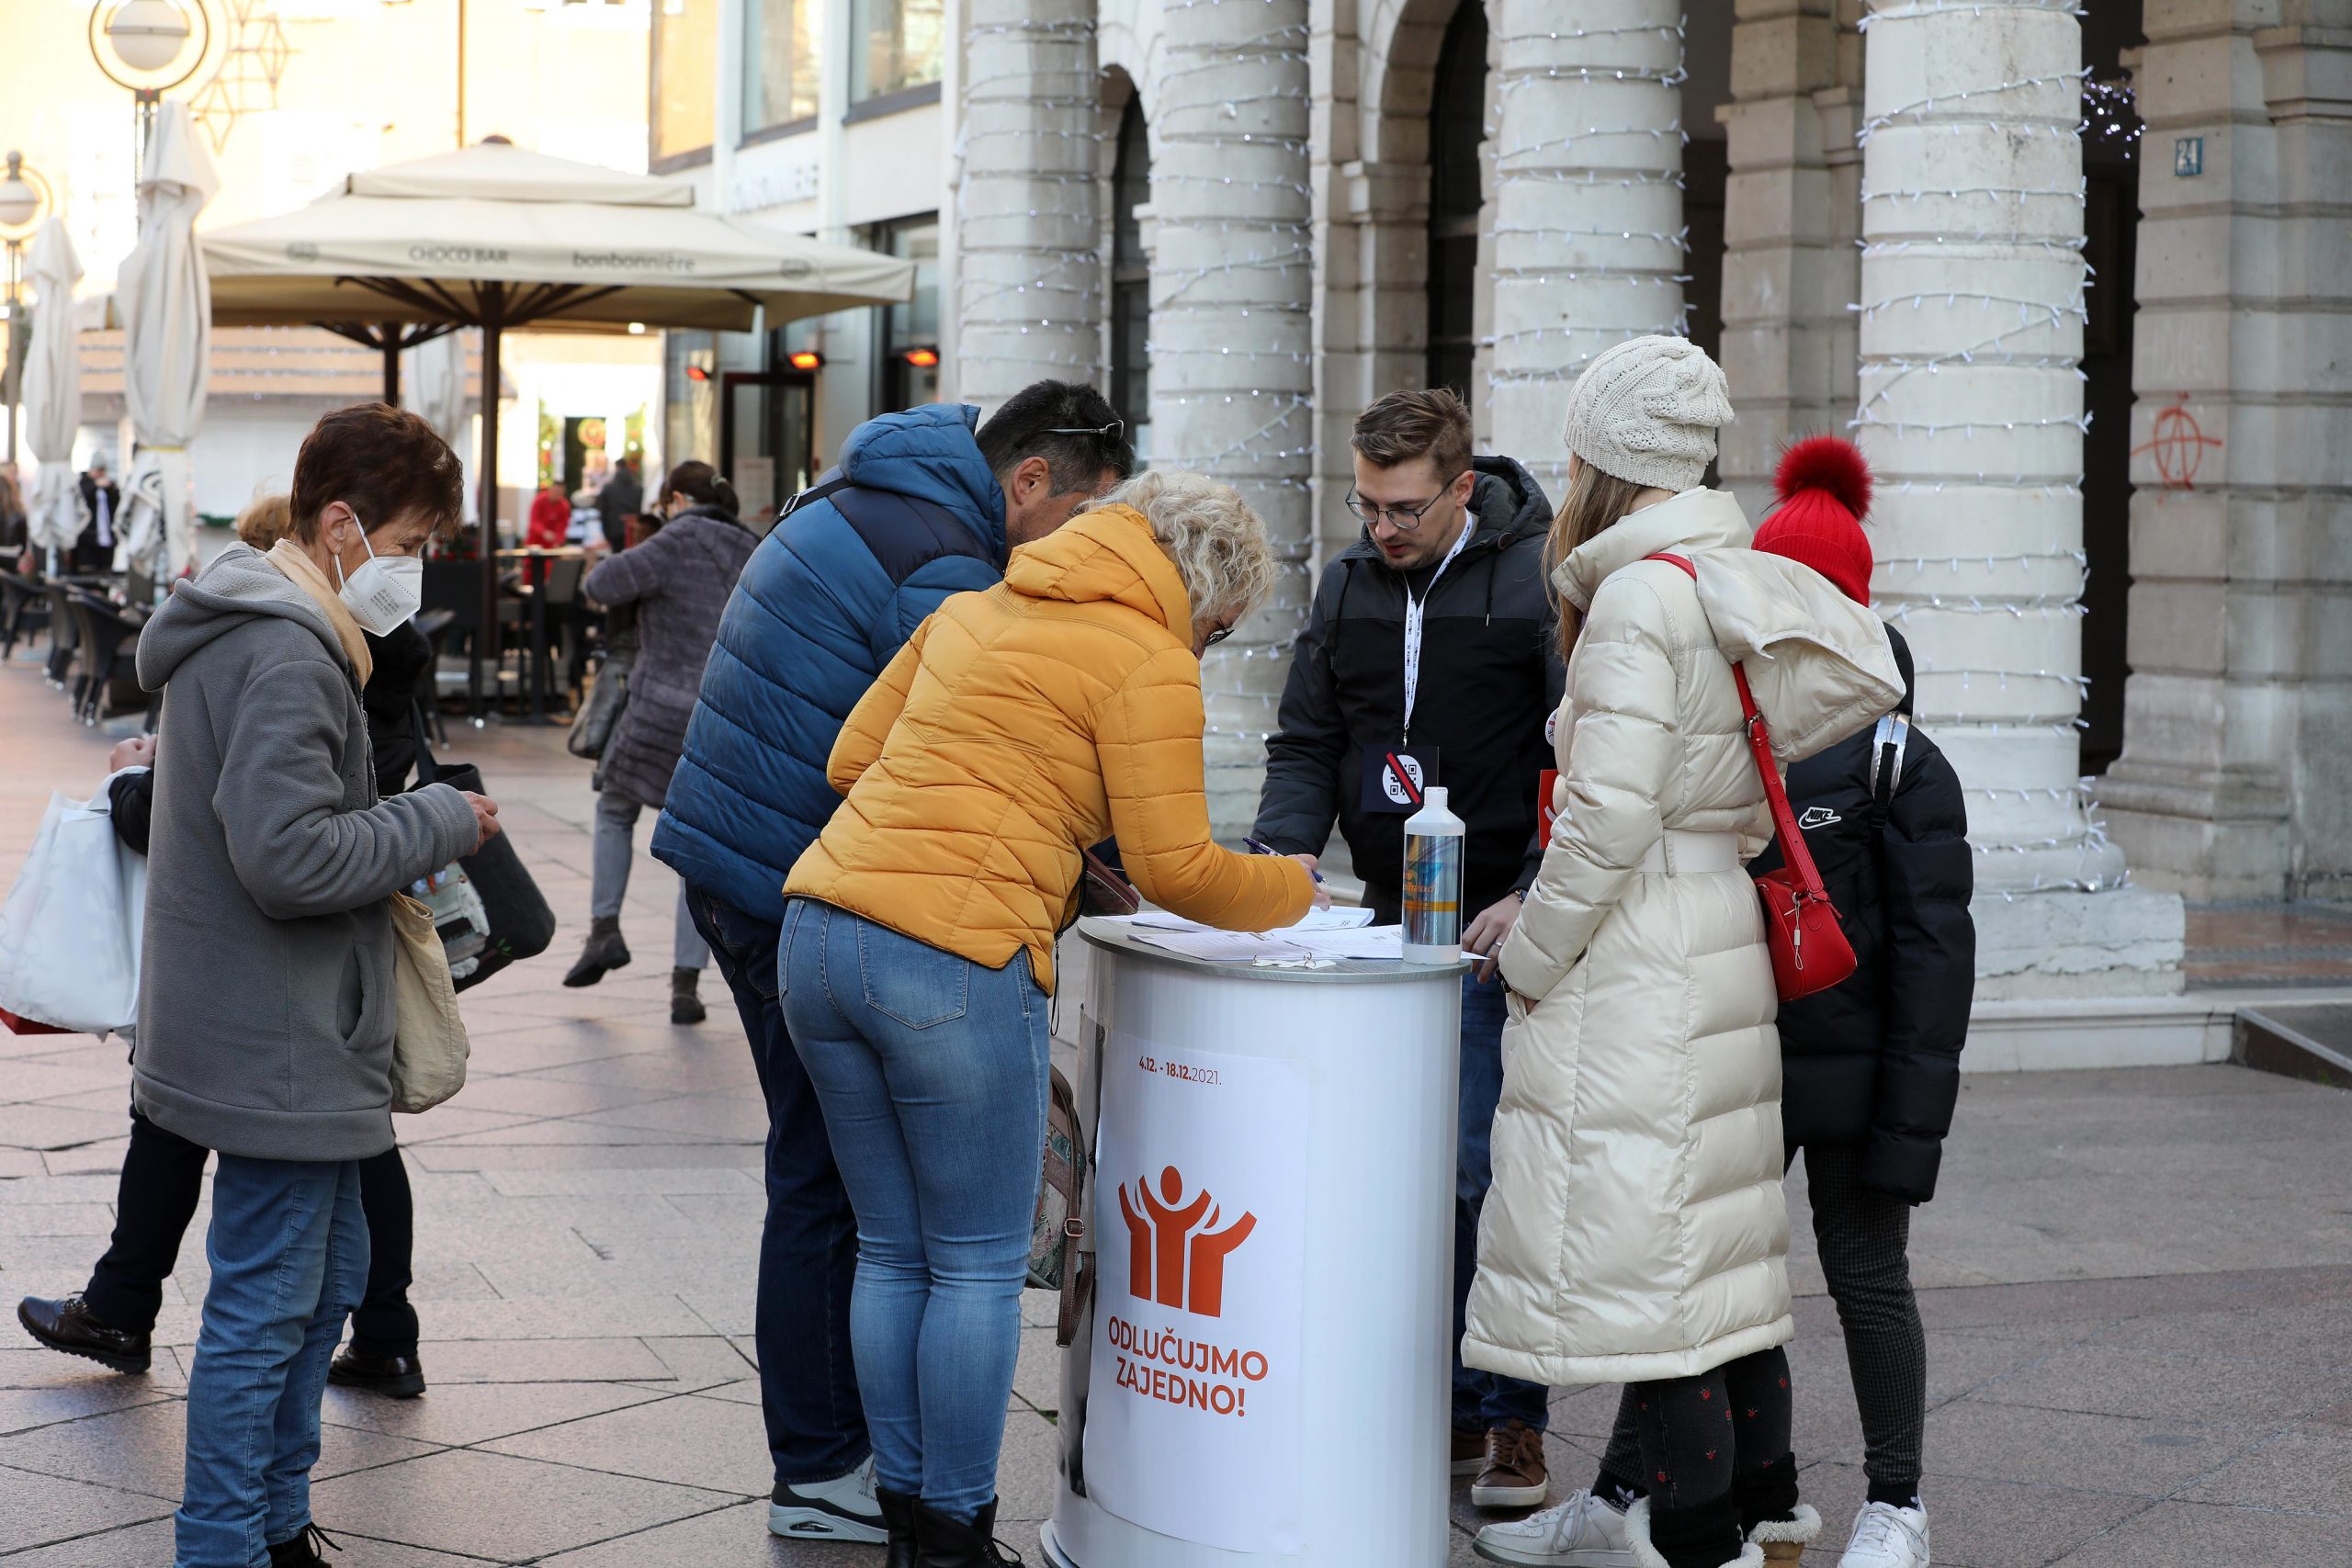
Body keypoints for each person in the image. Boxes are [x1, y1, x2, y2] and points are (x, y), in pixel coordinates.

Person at [782, 468, 1324, 1568]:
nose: (1208, 643)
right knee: (975, 1264)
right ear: (1203, 585)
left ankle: (905, 1520)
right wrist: (1295, 888)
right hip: (953, 957)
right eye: (1220, 626)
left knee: (891, 1250)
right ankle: (953, 1537)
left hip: (821, 930)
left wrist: (1030, 817)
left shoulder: (973, 608)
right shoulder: (1146, 656)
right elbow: (1179, 869)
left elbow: (852, 762)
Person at [649, 381, 1133, 1545]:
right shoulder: (945, 556)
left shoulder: (887, 490)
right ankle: (828, 1467)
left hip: (747, 861)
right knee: (842, 1192)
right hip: (795, 878)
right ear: (1028, 481)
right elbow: (985, 742)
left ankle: (849, 1459)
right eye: (1080, 516)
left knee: (833, 1183)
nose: (1081, 543)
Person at [1460, 337, 1902, 1568]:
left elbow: (1604, 818)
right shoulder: (1719, 574)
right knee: (1714, 1266)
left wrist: (1533, 957)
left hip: (1638, 959)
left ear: (1601, 462)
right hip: (1711, 935)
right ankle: (1767, 1515)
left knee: (1650, 1278)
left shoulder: (1634, 599)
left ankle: (1701, 1540)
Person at [1572, 438, 1974, 1568]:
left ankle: (1897, 1504)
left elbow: (1935, 966)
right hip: (1730, 1055)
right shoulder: (1728, 723)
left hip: (1854, 1079)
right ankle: (1652, 1492)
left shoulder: (1899, 760)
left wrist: (1908, 1129)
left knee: (1865, 1277)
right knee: (1693, 1279)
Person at [129, 402, 497, 1568]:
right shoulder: (289, 649)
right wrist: (437, 818)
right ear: (341, 526)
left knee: (323, 1277)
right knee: (269, 1303)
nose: (415, 570)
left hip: (268, 1020)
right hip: (277, 1032)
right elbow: (287, 859)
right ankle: (226, 1544)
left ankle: (276, 1525)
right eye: (411, 543)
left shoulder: (270, 623)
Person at [16, 493, 442, 1402]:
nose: (414, 564)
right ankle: (379, 1333)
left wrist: (138, 782)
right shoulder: (337, 648)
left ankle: (134, 1313)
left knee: (257, 1288)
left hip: (273, 992)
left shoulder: (294, 655)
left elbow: (278, 851)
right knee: (343, 1167)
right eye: (409, 543)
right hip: (320, 986)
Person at [1250, 386, 1564, 1508]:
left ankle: (1508, 1416)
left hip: (1496, 925)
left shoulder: (1535, 581)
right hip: (1385, 913)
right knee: (1384, 1170)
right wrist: (1282, 855)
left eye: (1405, 509)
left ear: (1462, 490)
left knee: (1485, 1172)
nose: (1382, 528)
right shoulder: (1347, 585)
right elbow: (1306, 739)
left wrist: (1533, 889)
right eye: (1368, 505)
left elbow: (1578, 756)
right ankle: (1429, 1403)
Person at [564, 460, 757, 1024]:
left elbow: (601, 585)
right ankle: (685, 984)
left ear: (676, 499)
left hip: (655, 711)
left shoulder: (677, 539)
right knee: (696, 850)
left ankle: (604, 930)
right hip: (720, 716)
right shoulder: (753, 548)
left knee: (615, 810)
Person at [71, 456, 121, 573]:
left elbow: (116, 504)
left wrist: (110, 488)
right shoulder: (83, 484)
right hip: (86, 538)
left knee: (105, 571)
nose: (100, 474)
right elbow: (82, 497)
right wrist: (95, 485)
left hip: (106, 539)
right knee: (87, 571)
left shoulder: (109, 487)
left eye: (102, 470)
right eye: (97, 470)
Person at [596, 453, 643, 553]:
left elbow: (603, 511)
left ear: (617, 467)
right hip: (633, 530)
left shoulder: (608, 488)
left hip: (615, 530)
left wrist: (606, 533)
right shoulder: (638, 488)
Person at [526, 480, 571, 549]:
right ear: (551, 490)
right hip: (535, 542)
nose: (557, 495)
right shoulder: (539, 500)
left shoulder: (564, 506)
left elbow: (563, 526)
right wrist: (543, 532)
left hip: (552, 545)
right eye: (556, 492)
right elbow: (534, 521)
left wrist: (558, 541)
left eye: (560, 493)